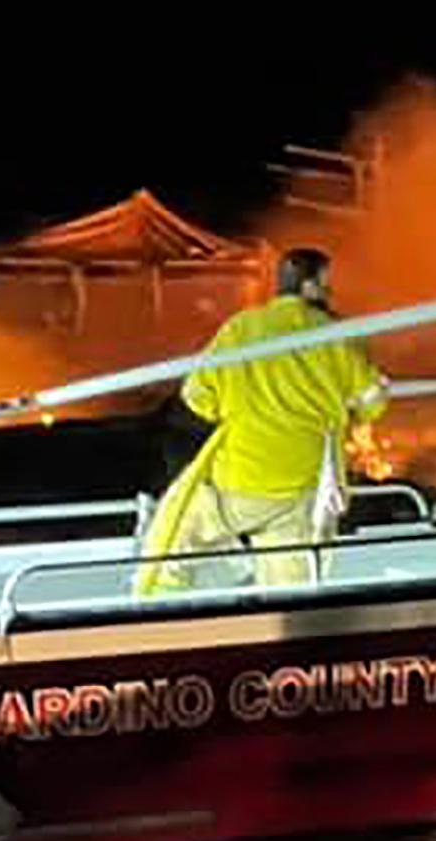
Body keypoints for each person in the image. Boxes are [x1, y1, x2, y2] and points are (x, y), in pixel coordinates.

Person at [134, 248, 387, 595]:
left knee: (172, 537)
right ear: (310, 286)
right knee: (292, 588)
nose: (331, 293)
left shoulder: (241, 330)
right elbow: (372, 405)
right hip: (304, 489)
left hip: (239, 481)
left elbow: (199, 399)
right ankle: (283, 641)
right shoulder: (341, 336)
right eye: (327, 284)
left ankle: (157, 619)